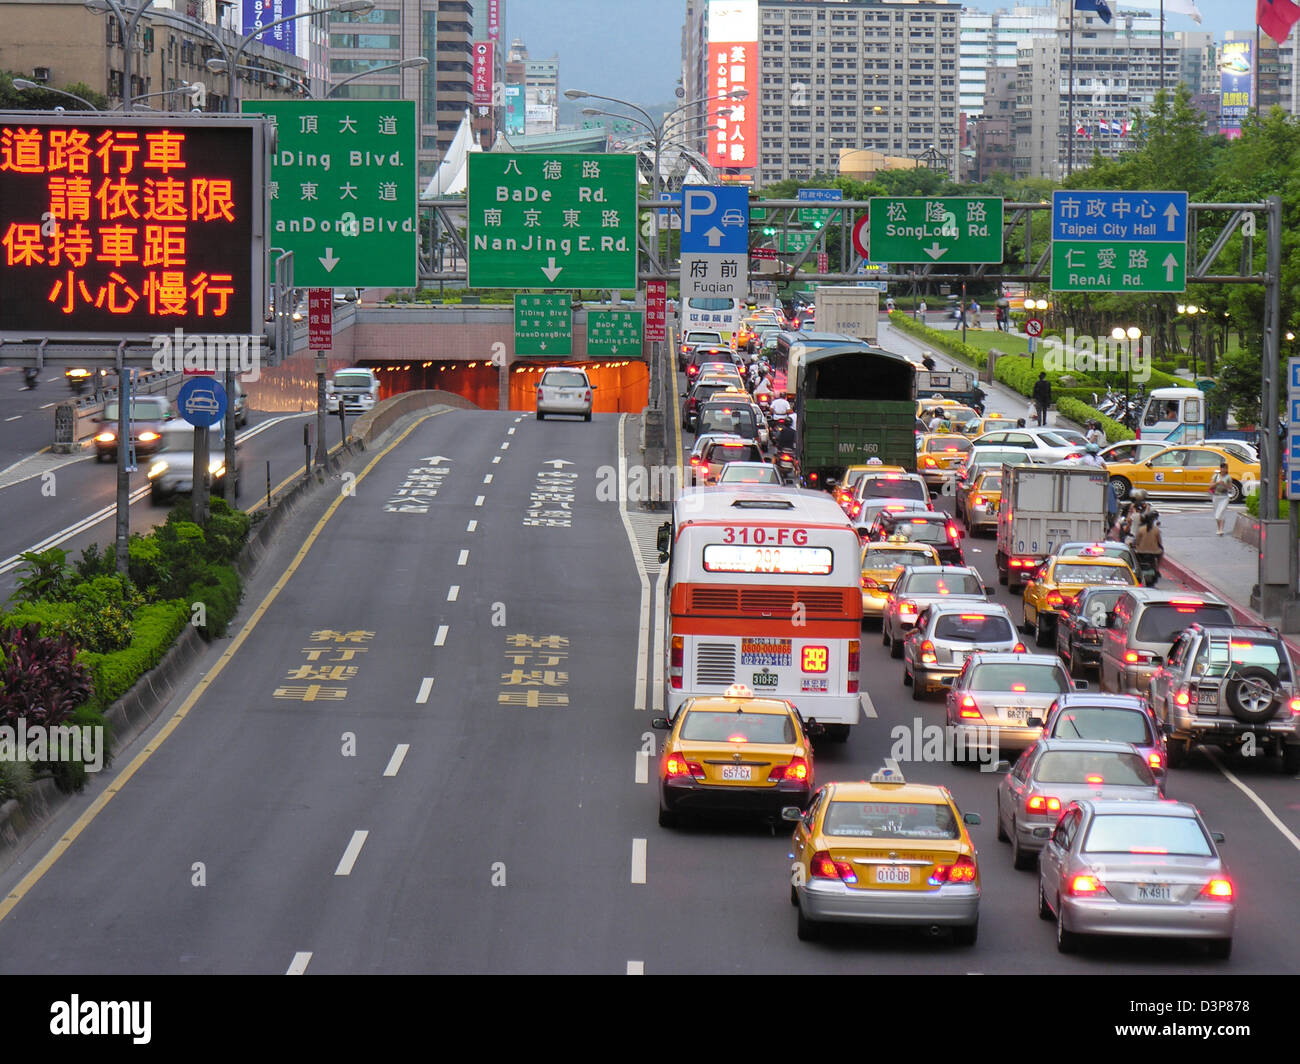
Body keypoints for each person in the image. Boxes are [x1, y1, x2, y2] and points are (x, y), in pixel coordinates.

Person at [1133, 511, 1164, 584]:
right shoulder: (1156, 530)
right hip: (1154, 552)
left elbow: (1137, 541)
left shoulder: (1141, 529)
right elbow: (1159, 542)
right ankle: (1157, 569)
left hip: (1141, 552)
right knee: (1161, 553)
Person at [1210, 460, 1233, 535]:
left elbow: (1230, 487)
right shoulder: (1215, 476)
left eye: (1225, 468)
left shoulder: (1228, 477)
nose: (1224, 470)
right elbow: (1210, 486)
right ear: (1220, 468)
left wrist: (1224, 484)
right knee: (1217, 514)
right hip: (1216, 496)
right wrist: (1217, 483)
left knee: (1221, 512)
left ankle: (1221, 529)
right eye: (1222, 468)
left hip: (1224, 497)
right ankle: (1219, 528)